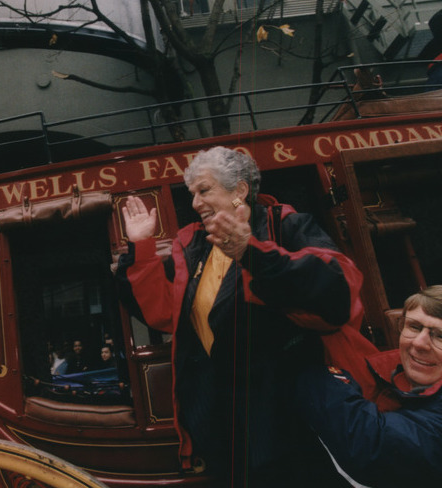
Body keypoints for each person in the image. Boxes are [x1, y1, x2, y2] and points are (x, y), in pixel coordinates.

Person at [116, 146, 365, 485]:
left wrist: (252, 254)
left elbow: (339, 291)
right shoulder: (194, 244)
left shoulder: (284, 224)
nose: (195, 203)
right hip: (220, 413)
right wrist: (143, 246)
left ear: (240, 190)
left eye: (204, 191)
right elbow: (162, 312)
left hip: (286, 412)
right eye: (193, 194)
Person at [297, 285, 442, 486]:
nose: (419, 343)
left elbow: (369, 443)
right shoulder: (424, 394)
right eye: (414, 327)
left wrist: (312, 368)